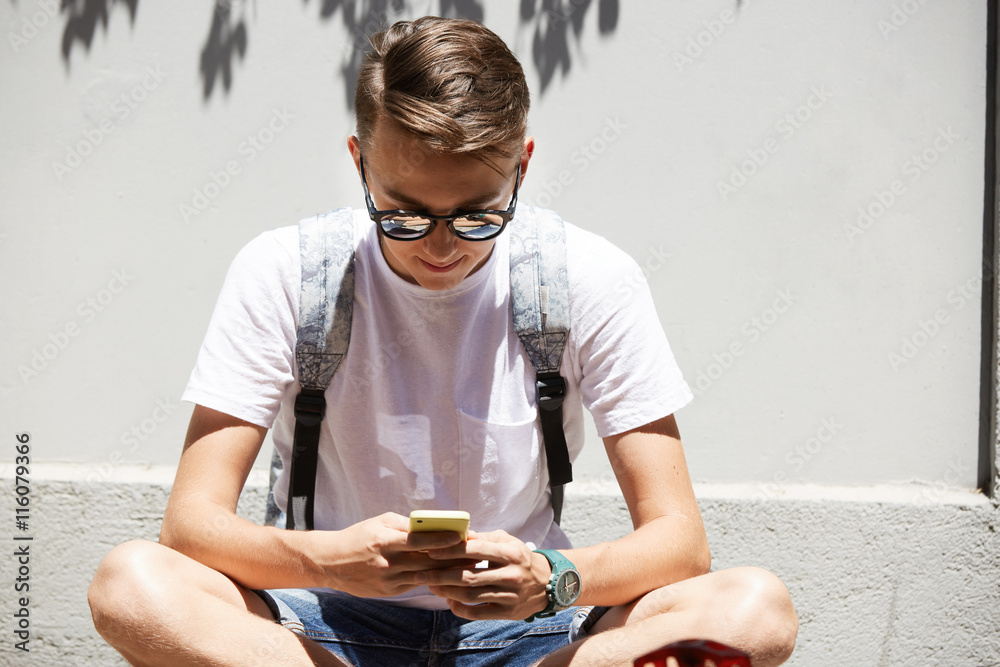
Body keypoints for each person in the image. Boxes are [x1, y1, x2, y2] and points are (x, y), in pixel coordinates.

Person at [88, 16, 798, 667]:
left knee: (754, 610)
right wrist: (329, 561)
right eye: (402, 215)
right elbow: (190, 525)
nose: (438, 246)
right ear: (360, 161)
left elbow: (681, 540)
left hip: (529, 633)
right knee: (130, 584)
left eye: (477, 217)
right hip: (320, 625)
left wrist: (552, 578)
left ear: (520, 165)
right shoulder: (286, 271)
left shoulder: (590, 277)